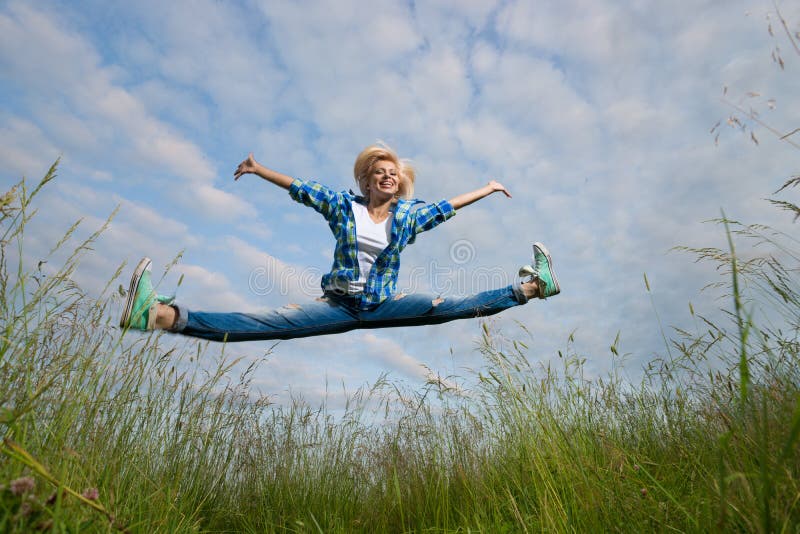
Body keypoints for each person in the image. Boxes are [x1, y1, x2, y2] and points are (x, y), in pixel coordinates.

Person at [119, 144, 560, 341]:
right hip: (339, 306)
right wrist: (259, 169)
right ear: (367, 181)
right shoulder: (343, 207)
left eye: (394, 174)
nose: (388, 176)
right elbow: (302, 188)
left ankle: (534, 286)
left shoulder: (408, 216)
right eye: (379, 173)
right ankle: (158, 316)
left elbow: (448, 205)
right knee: (268, 323)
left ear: (400, 184)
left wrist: (487, 187)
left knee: (448, 307)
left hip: (386, 304)